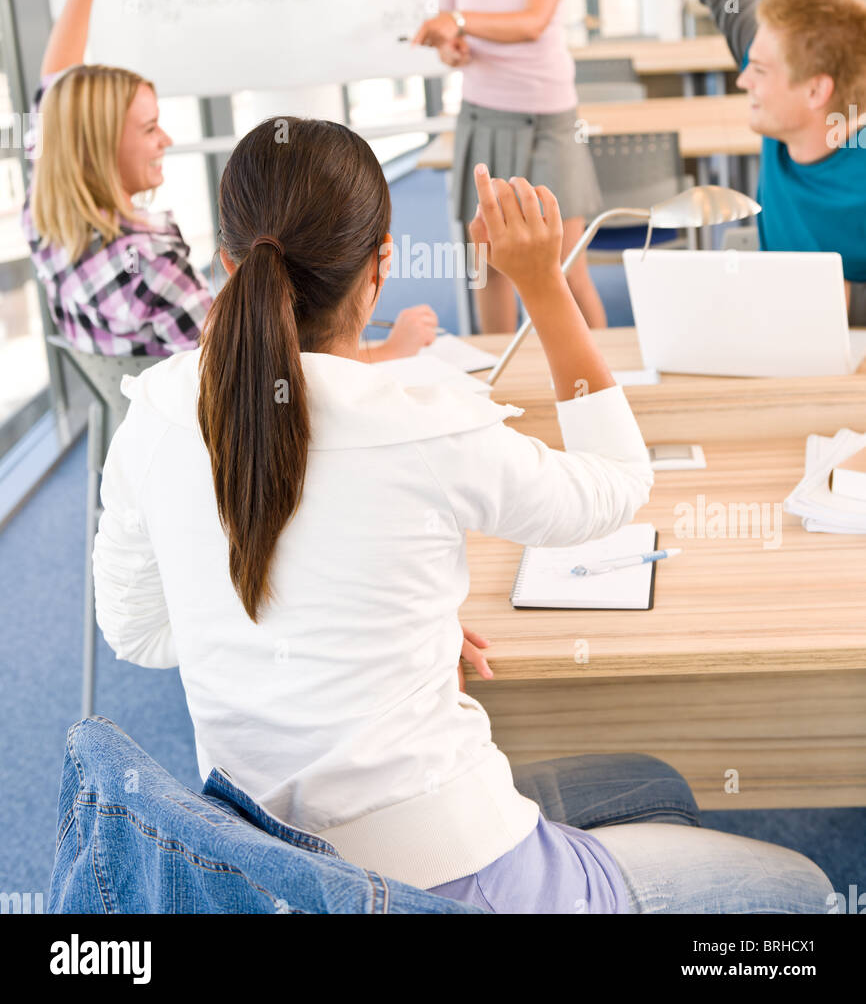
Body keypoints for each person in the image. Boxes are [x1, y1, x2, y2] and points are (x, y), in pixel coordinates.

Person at [94, 118, 832, 913]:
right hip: (450, 880)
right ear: (381, 269)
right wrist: (543, 284)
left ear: (228, 263)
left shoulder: (156, 413)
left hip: (273, 879)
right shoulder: (424, 422)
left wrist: (349, 625)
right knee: (808, 893)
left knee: (652, 786)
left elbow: (140, 632)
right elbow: (618, 482)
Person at [24, 0, 437, 359]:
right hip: (200, 421)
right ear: (95, 148)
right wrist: (392, 350)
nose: (167, 138)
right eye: (149, 128)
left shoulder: (46, 219)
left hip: (137, 415)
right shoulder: (149, 266)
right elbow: (257, 372)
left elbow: (55, 86)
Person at [588, 0, 866, 326]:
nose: (742, 80)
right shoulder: (781, 55)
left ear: (816, 91)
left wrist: (849, 300)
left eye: (757, 70)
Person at [412, 0, 607, 334]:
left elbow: (532, 22)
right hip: (483, 114)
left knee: (564, 269)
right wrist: (451, 46)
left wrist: (455, 19)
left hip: (548, 118)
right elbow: (457, 38)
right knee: (490, 270)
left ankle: (606, 381)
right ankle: (502, 382)